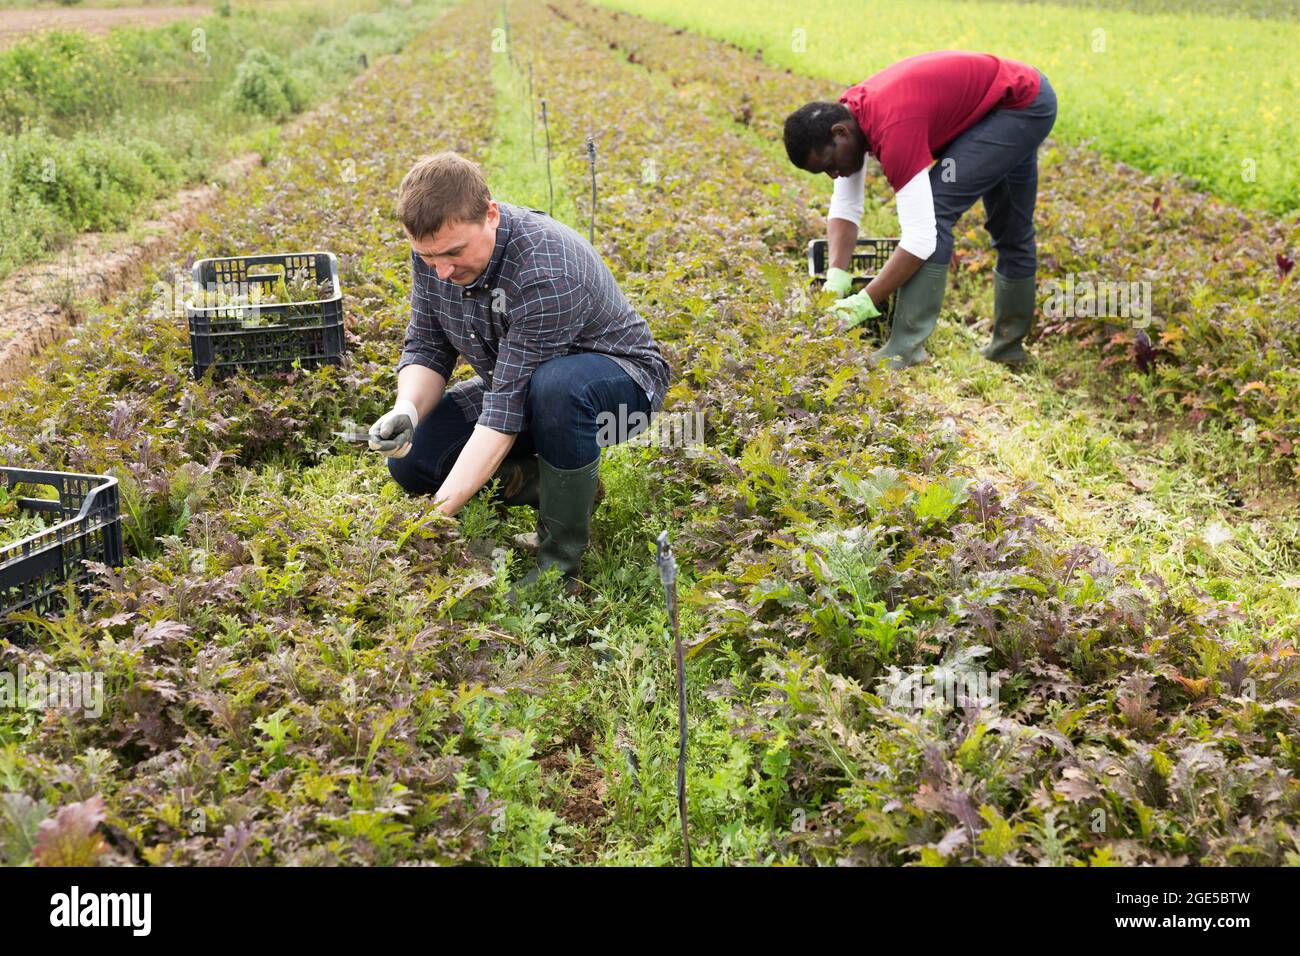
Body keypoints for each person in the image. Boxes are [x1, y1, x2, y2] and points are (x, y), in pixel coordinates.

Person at [368, 152, 671, 589]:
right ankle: (553, 488)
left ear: (490, 215)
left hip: (619, 387)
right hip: (517, 382)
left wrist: (430, 521)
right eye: (429, 257)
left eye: (454, 253)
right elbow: (428, 345)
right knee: (414, 460)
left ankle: (559, 565)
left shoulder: (546, 270)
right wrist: (407, 410)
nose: (443, 269)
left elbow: (505, 411)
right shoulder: (435, 252)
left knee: (557, 388)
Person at [783, 50, 1057, 367]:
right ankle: (1009, 350)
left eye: (831, 165)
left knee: (937, 210)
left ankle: (905, 348)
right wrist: (836, 277)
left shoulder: (892, 127)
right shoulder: (848, 115)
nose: (834, 175)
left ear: (840, 133)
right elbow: (846, 204)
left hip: (1019, 106)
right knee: (1011, 228)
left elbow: (922, 238)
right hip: (1010, 100)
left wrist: (863, 303)